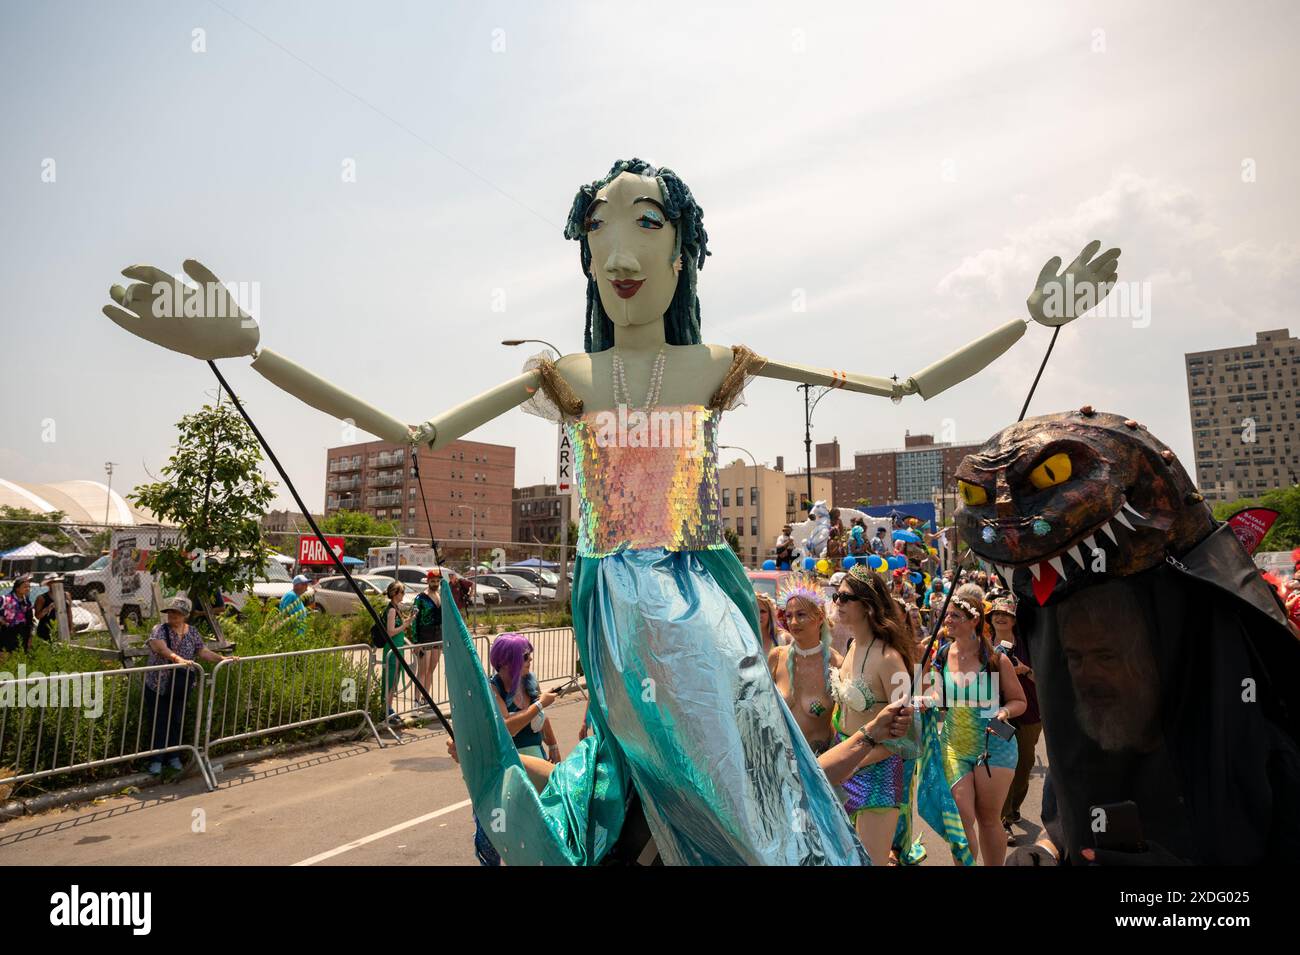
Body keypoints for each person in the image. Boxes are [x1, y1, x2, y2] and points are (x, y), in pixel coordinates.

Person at [924, 583, 1025, 865]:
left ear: (974, 621)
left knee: (989, 818)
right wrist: (925, 699)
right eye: (947, 615)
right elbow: (938, 694)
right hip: (954, 744)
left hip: (994, 746)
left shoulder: (995, 658)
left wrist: (1003, 712)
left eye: (955, 615)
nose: (947, 620)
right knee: (961, 815)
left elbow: (1019, 701)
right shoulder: (942, 655)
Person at [823, 564, 918, 865]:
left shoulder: (890, 658)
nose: (837, 602)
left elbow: (908, 737)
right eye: (836, 595)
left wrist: (855, 760)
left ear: (866, 606)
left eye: (845, 597)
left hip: (876, 775)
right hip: (843, 765)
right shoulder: (851, 646)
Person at [144, 596, 235, 774]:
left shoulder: (192, 632)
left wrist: (222, 659)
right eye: (170, 612)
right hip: (158, 685)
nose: (172, 616)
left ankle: (174, 757)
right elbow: (160, 648)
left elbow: (202, 651)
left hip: (180, 684)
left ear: (184, 615)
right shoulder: (159, 630)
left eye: (176, 613)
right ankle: (156, 760)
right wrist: (179, 660)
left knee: (177, 720)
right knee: (159, 721)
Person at [768, 574, 841, 753]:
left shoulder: (836, 663)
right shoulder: (776, 657)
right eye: (789, 615)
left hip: (819, 767)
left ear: (820, 617)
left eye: (801, 615)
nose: (793, 622)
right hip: (780, 764)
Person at [988, 596, 1039, 846]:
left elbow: (1044, 679)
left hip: (1029, 714)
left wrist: (1025, 670)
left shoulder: (1028, 644)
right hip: (997, 715)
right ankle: (1003, 820)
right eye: (996, 614)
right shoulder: (983, 646)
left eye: (1006, 615)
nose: (1000, 617)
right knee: (1003, 765)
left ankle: (1014, 807)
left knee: (1024, 764)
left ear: (1014, 620)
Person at [410, 569, 445, 708]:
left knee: (431, 669)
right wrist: (415, 641)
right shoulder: (420, 598)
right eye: (433, 581)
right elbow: (414, 620)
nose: (435, 583)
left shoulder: (440, 596)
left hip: (437, 634)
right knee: (423, 670)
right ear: (428, 581)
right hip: (424, 635)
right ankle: (416, 701)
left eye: (437, 581)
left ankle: (426, 699)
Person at [381, 580, 410, 724]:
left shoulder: (397, 607)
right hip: (392, 648)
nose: (403, 594)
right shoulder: (392, 610)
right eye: (402, 592)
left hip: (398, 647)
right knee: (390, 679)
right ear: (395, 594)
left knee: (395, 680)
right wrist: (404, 625)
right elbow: (390, 631)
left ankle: (389, 708)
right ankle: (386, 709)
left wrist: (408, 621)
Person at [0, 576, 36, 653]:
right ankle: (7, 665)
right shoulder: (5, 599)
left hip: (23, 632)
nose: (28, 589)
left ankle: (21, 665)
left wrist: (30, 636)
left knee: (22, 657)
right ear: (17, 588)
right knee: (5, 655)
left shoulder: (27, 602)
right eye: (25, 587)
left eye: (29, 587)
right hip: (7, 632)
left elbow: (29, 620)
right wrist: (3, 622)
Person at [277, 574, 311, 638]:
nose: (306, 586)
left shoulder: (297, 596)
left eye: (306, 584)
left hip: (298, 634)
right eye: (304, 584)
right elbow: (284, 613)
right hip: (291, 635)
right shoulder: (291, 595)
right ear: (296, 585)